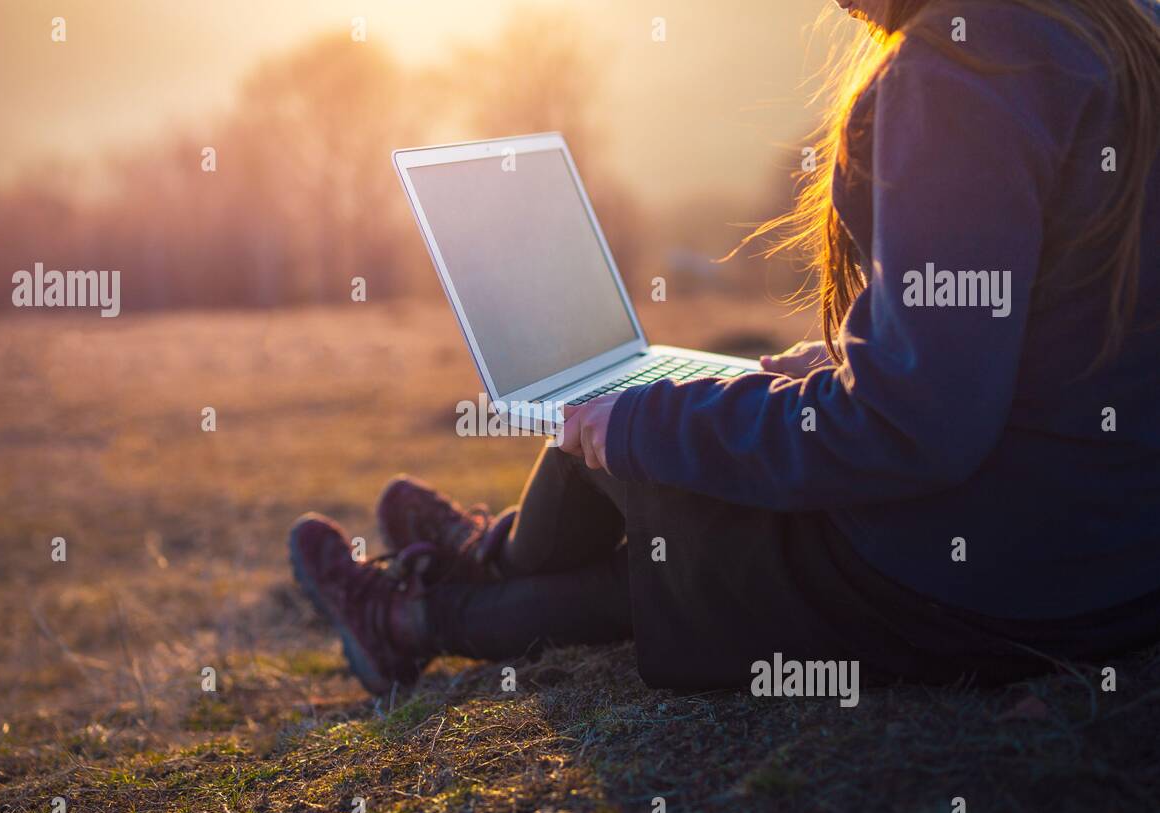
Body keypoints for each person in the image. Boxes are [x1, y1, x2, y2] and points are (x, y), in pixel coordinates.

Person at [290, 0, 1160, 696]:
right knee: (640, 424)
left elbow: (911, 427)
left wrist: (648, 423)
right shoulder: (1107, 30)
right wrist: (833, 366)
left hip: (991, 577)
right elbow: (1042, 335)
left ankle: (417, 613)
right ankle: (478, 556)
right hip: (1109, 565)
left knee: (663, 508)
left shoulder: (961, 71)